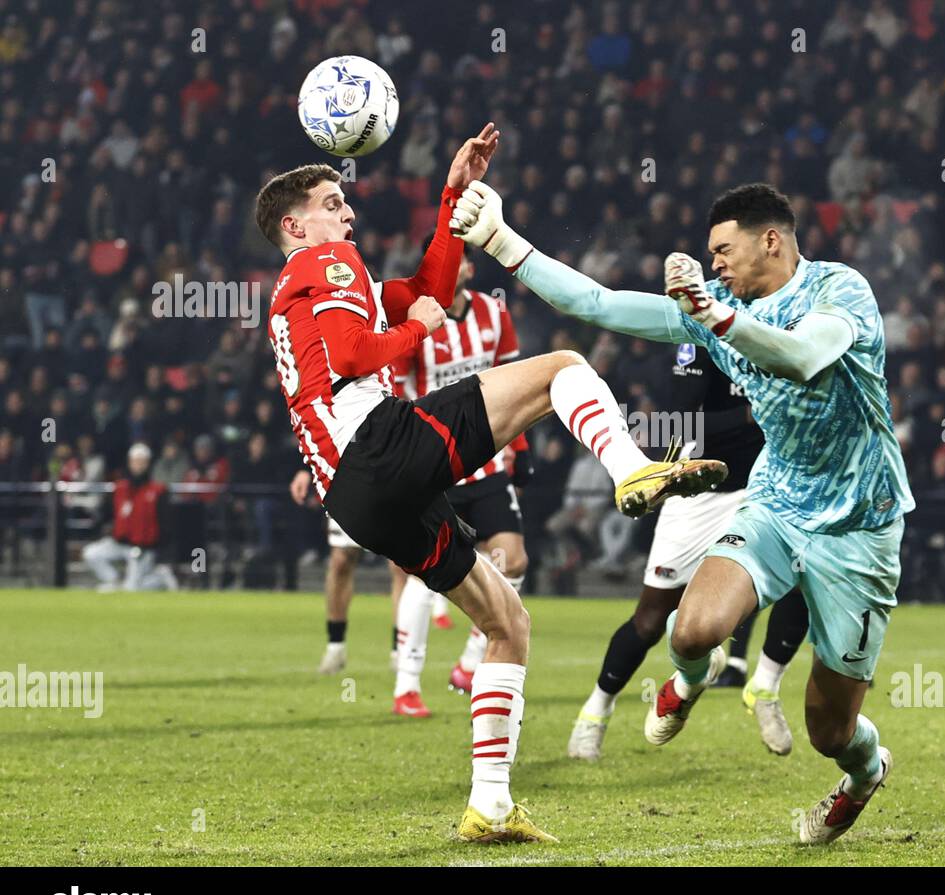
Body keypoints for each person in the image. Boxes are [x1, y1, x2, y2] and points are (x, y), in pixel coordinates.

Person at [253, 124, 725, 844]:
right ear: (296, 225)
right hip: (378, 448)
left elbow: (431, 287)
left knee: (507, 624)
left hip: (354, 493)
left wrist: (451, 195)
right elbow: (359, 352)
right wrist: (416, 331)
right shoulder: (327, 263)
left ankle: (491, 807)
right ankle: (633, 471)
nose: (346, 214)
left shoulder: (313, 286)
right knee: (562, 368)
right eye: (330, 201)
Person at [451, 179, 913, 843]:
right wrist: (500, 239)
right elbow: (599, 303)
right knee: (692, 630)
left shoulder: (839, 290)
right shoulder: (714, 305)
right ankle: (688, 682)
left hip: (860, 525)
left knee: (829, 730)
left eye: (724, 250)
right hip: (778, 499)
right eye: (710, 254)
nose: (715, 263)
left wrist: (712, 311)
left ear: (772, 241)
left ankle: (865, 771)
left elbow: (805, 357)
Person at [567, 339, 810, 760]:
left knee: (806, 577)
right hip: (700, 490)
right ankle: (595, 710)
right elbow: (681, 419)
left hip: (765, 489)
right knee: (649, 620)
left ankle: (764, 685)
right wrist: (753, 414)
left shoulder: (781, 329)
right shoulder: (701, 337)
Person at [388, 252, 534, 714]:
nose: (461, 269)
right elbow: (396, 389)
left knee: (513, 559)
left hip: (488, 462)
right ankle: (406, 685)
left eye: (465, 262)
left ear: (470, 270)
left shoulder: (494, 313)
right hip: (437, 467)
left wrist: (521, 448)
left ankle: (471, 664)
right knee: (426, 573)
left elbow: (514, 382)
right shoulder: (418, 321)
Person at [288, 468, 412, 676]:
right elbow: (316, 434)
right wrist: (304, 468)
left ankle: (400, 650)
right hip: (349, 478)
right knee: (340, 561)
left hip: (393, 472)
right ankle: (335, 647)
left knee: (401, 566)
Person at [83, 443, 179, 592]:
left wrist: (162, 551)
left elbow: (167, 525)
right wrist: (104, 530)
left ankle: (160, 578)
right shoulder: (120, 489)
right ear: (129, 463)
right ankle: (113, 580)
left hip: (143, 548)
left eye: (142, 462)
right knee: (91, 553)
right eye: (135, 461)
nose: (138, 466)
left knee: (132, 589)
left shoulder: (158, 491)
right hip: (120, 543)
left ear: (148, 464)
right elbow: (107, 515)